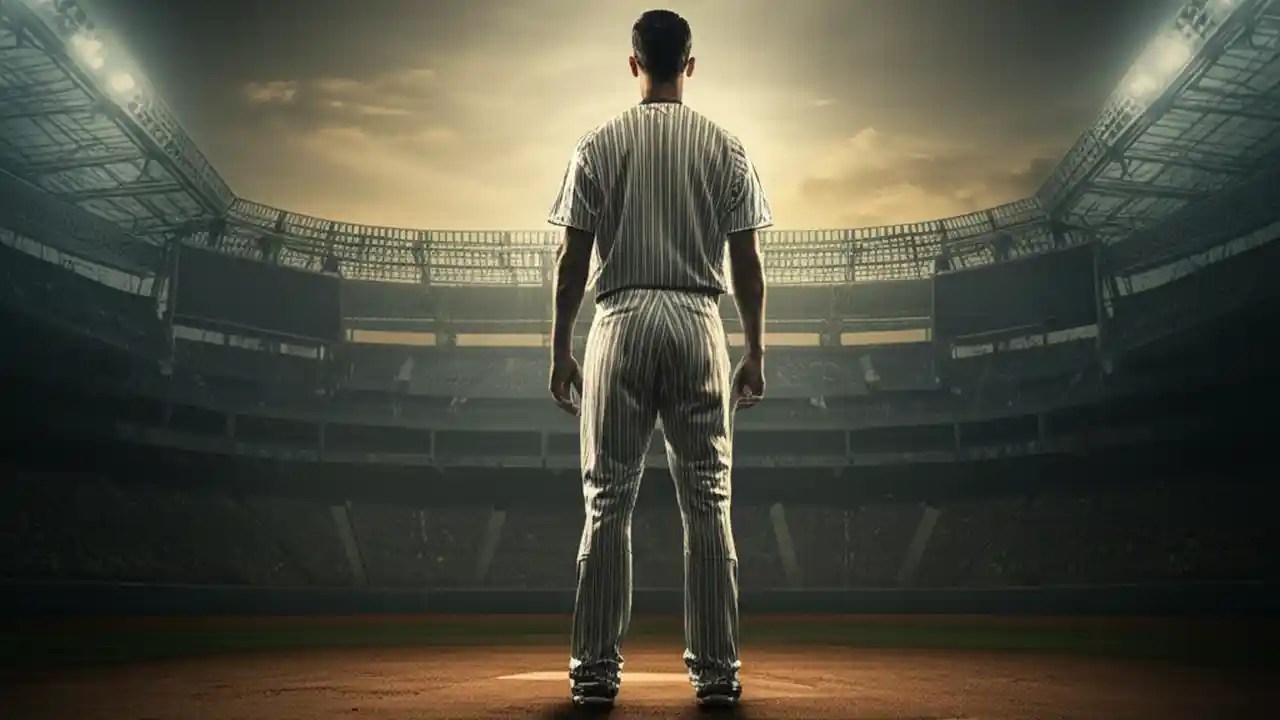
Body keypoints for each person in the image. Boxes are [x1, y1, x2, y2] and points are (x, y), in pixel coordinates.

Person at [545, 8, 771, 709]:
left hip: (618, 320)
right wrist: (756, 348)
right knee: (708, 503)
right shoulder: (727, 148)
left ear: (633, 61)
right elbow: (747, 265)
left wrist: (559, 345)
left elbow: (572, 261)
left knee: (607, 500)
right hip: (700, 317)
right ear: (691, 65)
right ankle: (716, 674)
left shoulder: (598, 144)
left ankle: (593, 674)